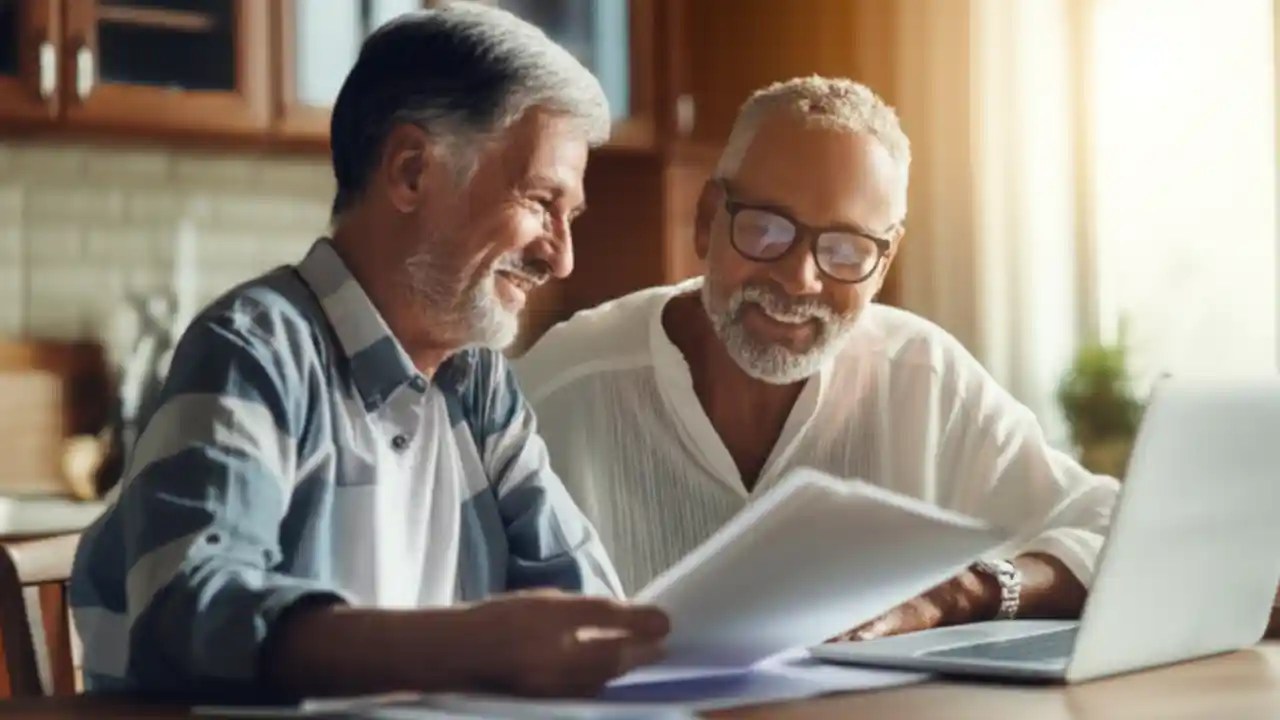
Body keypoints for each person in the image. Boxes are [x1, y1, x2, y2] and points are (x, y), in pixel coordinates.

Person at [69, 3, 668, 701]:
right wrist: (464, 646)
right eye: (541, 201)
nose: (561, 258)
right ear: (412, 172)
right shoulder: (254, 351)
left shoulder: (477, 384)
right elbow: (193, 617)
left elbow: (585, 604)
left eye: (571, 218)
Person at [516, 76, 1121, 640]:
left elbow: (1113, 528)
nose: (800, 279)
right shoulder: (564, 387)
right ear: (706, 222)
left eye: (846, 248)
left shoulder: (925, 379)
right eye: (766, 229)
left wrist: (962, 594)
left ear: (883, 263)